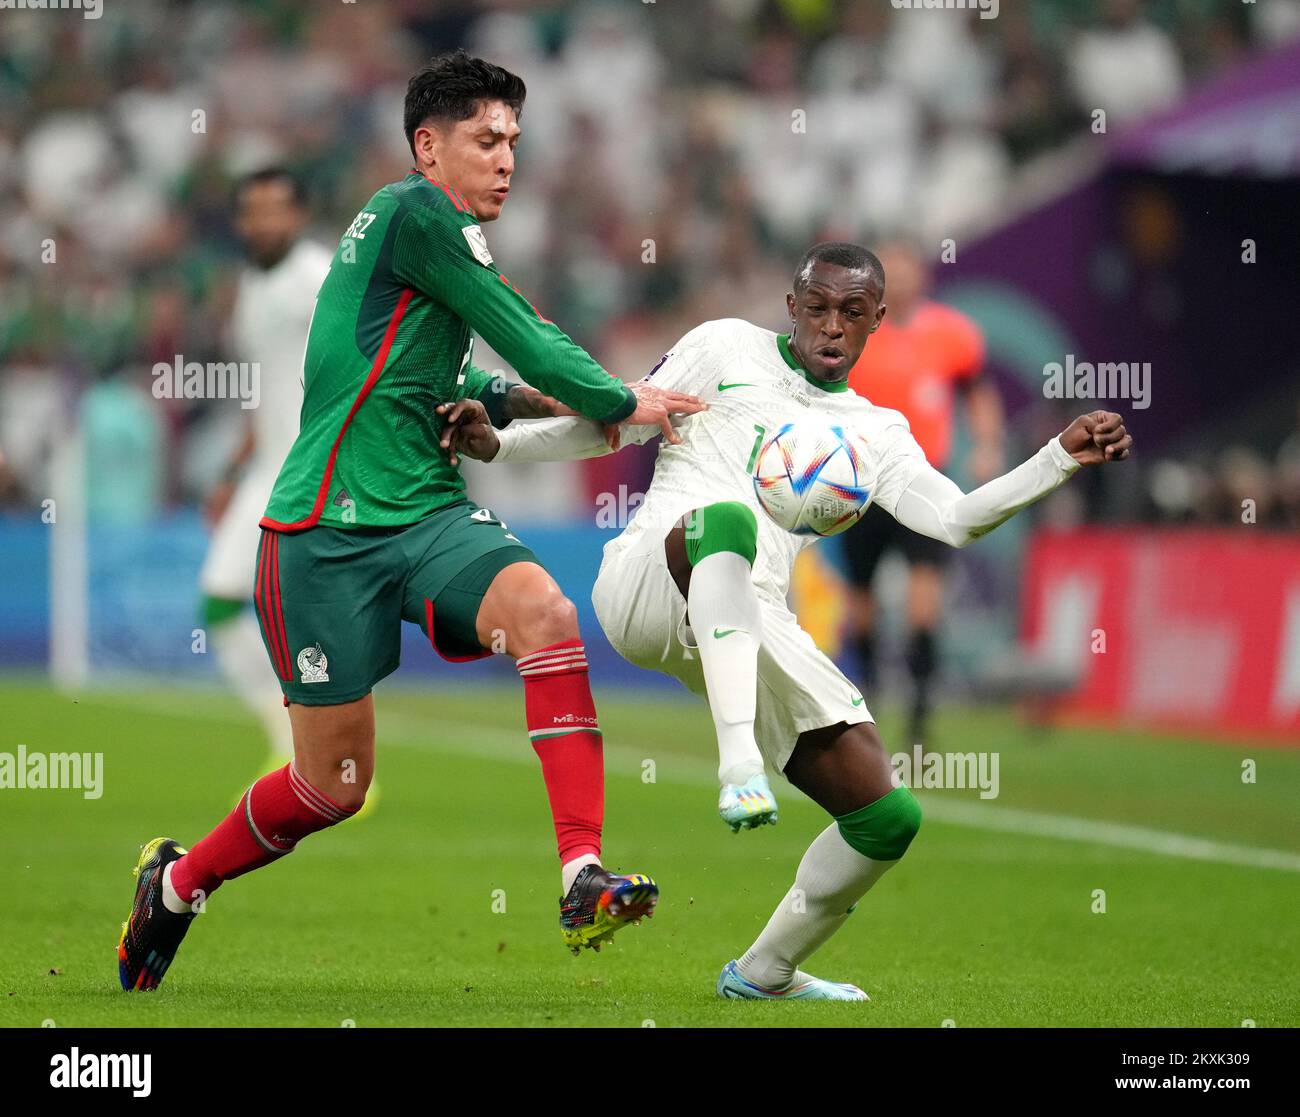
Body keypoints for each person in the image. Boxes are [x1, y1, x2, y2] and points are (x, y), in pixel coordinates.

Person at [117, 51, 702, 991]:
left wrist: (511, 410)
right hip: (320, 533)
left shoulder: (409, 234)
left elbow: (439, 376)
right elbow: (521, 328)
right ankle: (178, 884)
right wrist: (617, 397)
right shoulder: (418, 215)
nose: (508, 158)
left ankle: (581, 874)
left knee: (547, 616)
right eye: (486, 139)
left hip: (426, 513)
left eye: (514, 139)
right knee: (329, 789)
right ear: (428, 148)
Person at [450, 242, 1132, 1000]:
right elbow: (617, 420)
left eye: (850, 312)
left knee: (886, 815)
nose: (830, 326)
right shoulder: (721, 347)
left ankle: (766, 970)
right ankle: (738, 765)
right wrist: (503, 443)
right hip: (648, 578)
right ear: (791, 307)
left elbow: (957, 519)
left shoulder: (877, 433)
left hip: (751, 614)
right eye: (816, 308)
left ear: (878, 319)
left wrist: (1056, 459)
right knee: (728, 521)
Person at [843, 240, 1004, 749]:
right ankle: (865, 709)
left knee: (923, 604)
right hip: (859, 482)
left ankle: (919, 720)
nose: (903, 280)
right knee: (862, 603)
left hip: (920, 481)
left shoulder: (952, 334)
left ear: (924, 277)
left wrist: (987, 444)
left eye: (909, 271)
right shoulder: (853, 331)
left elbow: (978, 392)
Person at [199, 168, 332, 771]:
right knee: (222, 604)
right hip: (265, 474)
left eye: (276, 209)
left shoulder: (319, 277)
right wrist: (232, 470)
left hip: (315, 470)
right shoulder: (252, 285)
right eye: (252, 211)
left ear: (299, 215)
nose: (263, 222)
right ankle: (294, 747)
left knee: (298, 611)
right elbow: (261, 392)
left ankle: (325, 757)